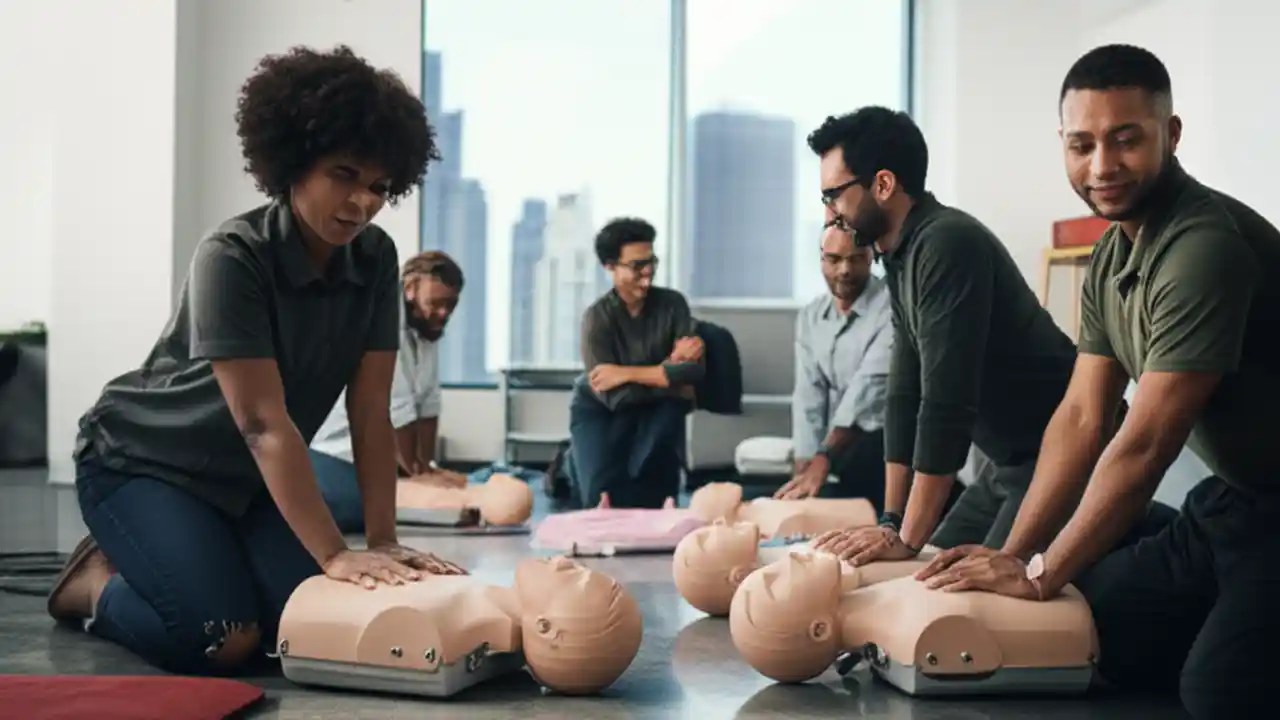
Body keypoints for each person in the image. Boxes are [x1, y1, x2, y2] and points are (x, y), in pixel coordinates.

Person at [44, 45, 465, 677]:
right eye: (343, 174)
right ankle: (96, 586)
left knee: (297, 625)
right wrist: (333, 554)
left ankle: (203, 560)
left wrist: (383, 542)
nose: (363, 202)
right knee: (225, 639)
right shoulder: (232, 256)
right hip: (146, 464)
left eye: (379, 186)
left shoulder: (375, 259)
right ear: (294, 162)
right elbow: (263, 424)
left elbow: (371, 411)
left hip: (245, 483)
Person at [916, 44, 1280, 720]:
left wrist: (1041, 573)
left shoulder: (1203, 247)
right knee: (1096, 624)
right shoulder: (1113, 254)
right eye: (1082, 144)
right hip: (1233, 504)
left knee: (1219, 693)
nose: (1102, 166)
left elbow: (1145, 444)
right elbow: (1084, 416)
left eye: (1126, 140)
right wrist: (1015, 554)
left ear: (1170, 136)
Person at [807, 106, 1079, 565]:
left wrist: (906, 540)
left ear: (883, 185)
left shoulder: (946, 243)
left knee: (966, 598)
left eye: (833, 195)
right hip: (1009, 467)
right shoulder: (897, 256)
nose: (830, 213)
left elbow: (946, 403)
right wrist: (892, 523)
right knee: (922, 573)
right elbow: (904, 391)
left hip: (1061, 459)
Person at [308, 250, 468, 534]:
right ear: (409, 289)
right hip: (335, 452)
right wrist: (416, 477)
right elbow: (398, 409)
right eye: (436, 303)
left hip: (379, 453)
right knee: (362, 506)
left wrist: (427, 468)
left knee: (443, 487)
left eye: (451, 305)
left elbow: (428, 407)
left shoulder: (427, 330)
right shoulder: (386, 323)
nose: (444, 313)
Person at [569, 217, 704, 509]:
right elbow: (616, 396)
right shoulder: (597, 319)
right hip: (601, 410)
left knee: (654, 501)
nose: (648, 272)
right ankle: (567, 465)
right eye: (636, 266)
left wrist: (625, 372)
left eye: (651, 261)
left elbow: (694, 370)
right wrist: (669, 373)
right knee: (599, 502)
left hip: (658, 411)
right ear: (610, 267)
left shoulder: (672, 305)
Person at [773, 223, 893, 509]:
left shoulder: (892, 307)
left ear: (870, 257)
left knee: (860, 460)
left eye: (855, 259)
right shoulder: (812, 316)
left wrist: (823, 458)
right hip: (838, 448)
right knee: (799, 498)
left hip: (885, 441)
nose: (844, 271)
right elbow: (807, 396)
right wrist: (804, 465)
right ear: (821, 259)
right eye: (835, 259)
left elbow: (867, 393)